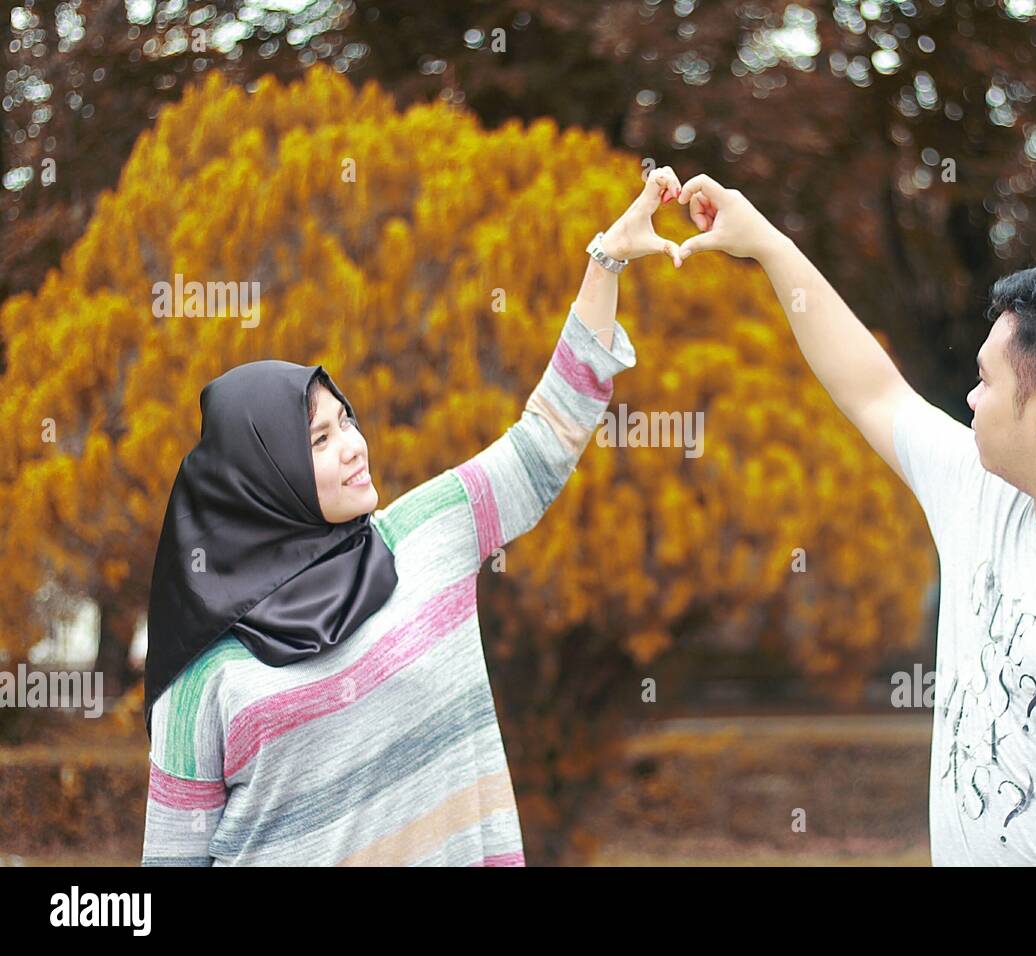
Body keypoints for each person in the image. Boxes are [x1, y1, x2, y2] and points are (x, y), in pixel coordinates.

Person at [672, 174, 1036, 866]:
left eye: (987, 380)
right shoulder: (982, 493)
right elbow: (871, 388)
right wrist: (765, 244)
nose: (970, 397)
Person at [141, 166, 687, 866]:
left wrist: (607, 259)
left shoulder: (428, 535)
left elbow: (547, 436)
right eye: (319, 439)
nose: (354, 447)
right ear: (260, 479)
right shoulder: (203, 681)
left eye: (348, 421)